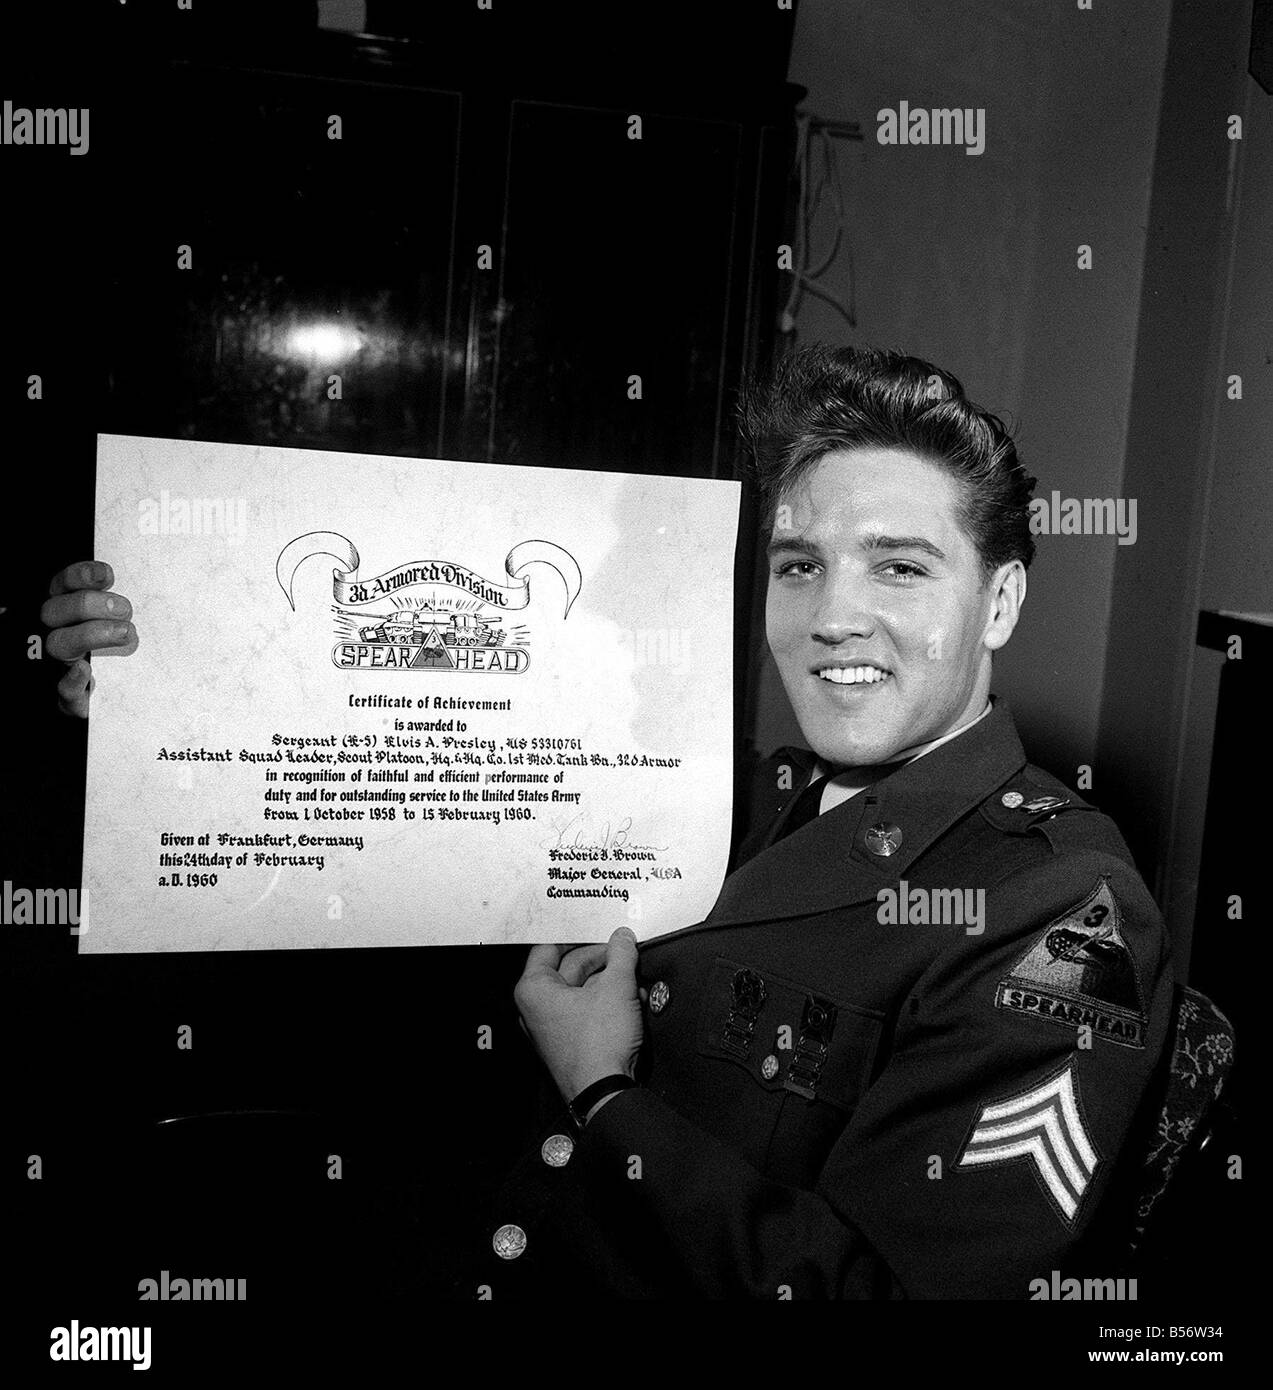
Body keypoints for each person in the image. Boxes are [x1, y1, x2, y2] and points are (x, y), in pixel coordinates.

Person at [44, 346, 1173, 1299]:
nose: (834, 616)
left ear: (1004, 600)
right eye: (800, 564)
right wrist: (160, 697)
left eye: (899, 567)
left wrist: (605, 1096)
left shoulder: (1059, 909)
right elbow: (385, 815)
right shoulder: (713, 788)